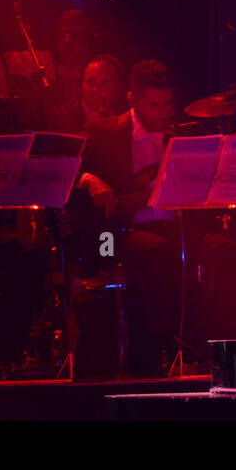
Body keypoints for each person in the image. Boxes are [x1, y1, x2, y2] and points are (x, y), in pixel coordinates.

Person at [73, 60, 187, 373]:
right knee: (158, 251)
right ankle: (159, 349)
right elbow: (65, 170)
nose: (163, 113)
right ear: (132, 100)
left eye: (167, 105)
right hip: (120, 231)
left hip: (172, 226)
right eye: (154, 105)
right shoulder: (106, 133)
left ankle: (211, 349)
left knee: (224, 250)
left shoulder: (177, 139)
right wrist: (89, 179)